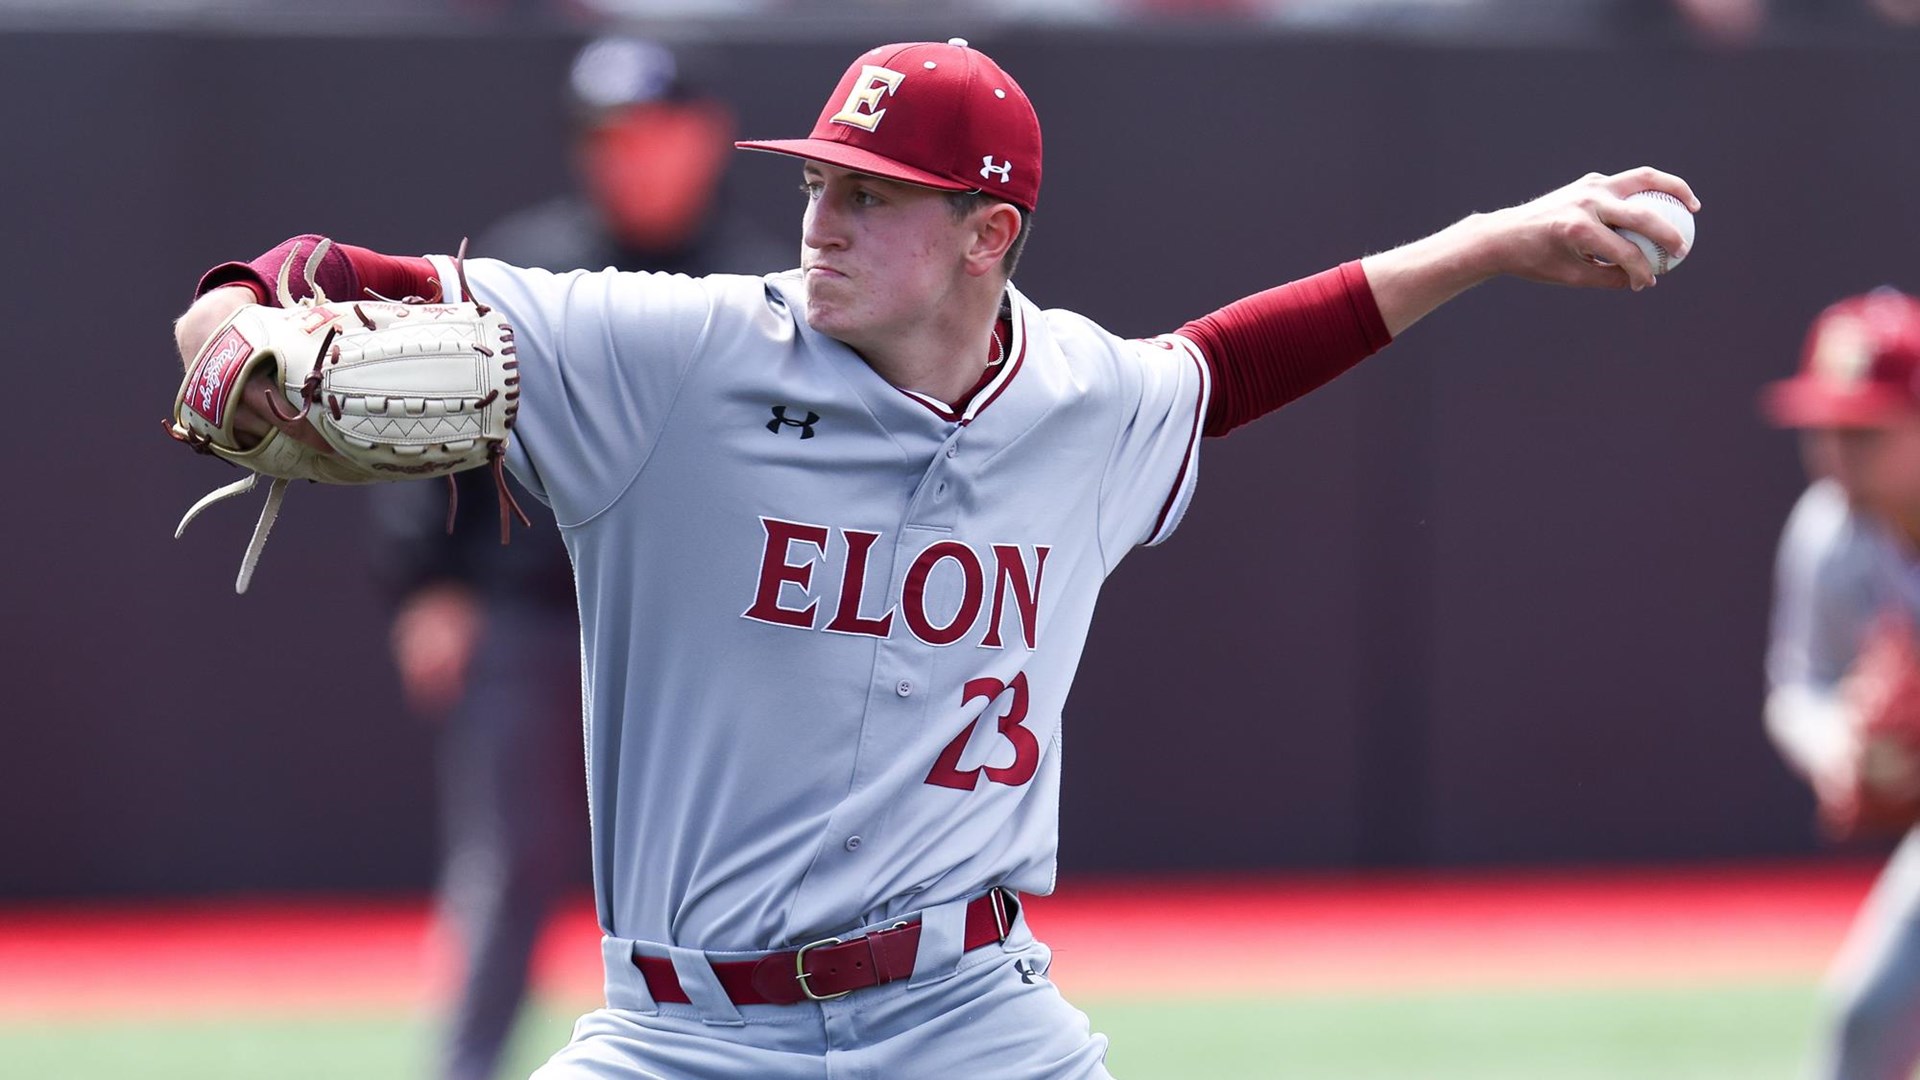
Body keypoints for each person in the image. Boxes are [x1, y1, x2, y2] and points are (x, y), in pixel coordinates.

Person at [171, 38, 1696, 1078]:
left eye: (872, 194)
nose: (821, 220)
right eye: (818, 182)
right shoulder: (673, 353)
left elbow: (1228, 367)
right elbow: (328, 274)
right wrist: (236, 314)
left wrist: (1491, 244)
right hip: (684, 1032)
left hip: (970, 1016)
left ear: (988, 234)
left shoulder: (1080, 398)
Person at [369, 35, 790, 1080]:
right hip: (534, 617)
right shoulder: (526, 268)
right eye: (607, 136)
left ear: (704, 136)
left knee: (720, 875)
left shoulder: (763, 288)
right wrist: (431, 585)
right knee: (509, 865)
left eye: (651, 131)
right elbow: (431, 434)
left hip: (698, 640)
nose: (628, 155)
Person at [1763, 289, 1920, 1080]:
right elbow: (1801, 685)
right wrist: (1838, 747)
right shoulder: (1828, 531)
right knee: (1868, 1022)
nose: (1835, 450)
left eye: (1863, 429)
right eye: (1823, 424)